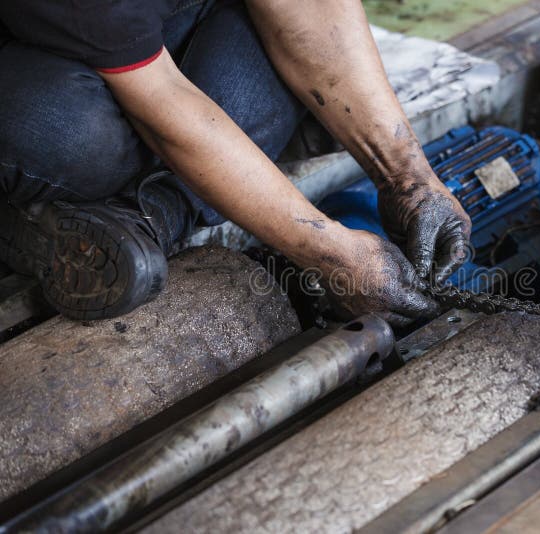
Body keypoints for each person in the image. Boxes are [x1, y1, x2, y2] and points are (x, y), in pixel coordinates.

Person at [0, 0, 471, 326]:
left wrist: (409, 179)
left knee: (281, 53)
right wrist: (331, 255)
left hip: (136, 38)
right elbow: (162, 101)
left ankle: (148, 216)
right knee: (77, 136)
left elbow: (311, 14)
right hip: (33, 67)